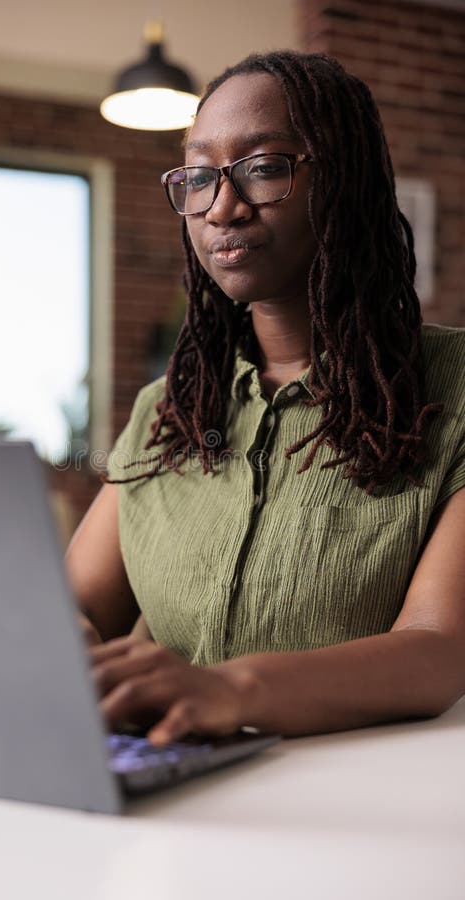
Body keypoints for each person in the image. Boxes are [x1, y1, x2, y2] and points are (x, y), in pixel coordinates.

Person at [66, 51, 465, 745]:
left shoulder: (455, 386)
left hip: (365, 813)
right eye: (199, 175)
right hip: (170, 795)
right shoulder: (170, 409)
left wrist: (226, 689)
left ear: (344, 182)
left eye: (262, 167)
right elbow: (76, 605)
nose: (221, 206)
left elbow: (438, 650)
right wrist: (57, 639)